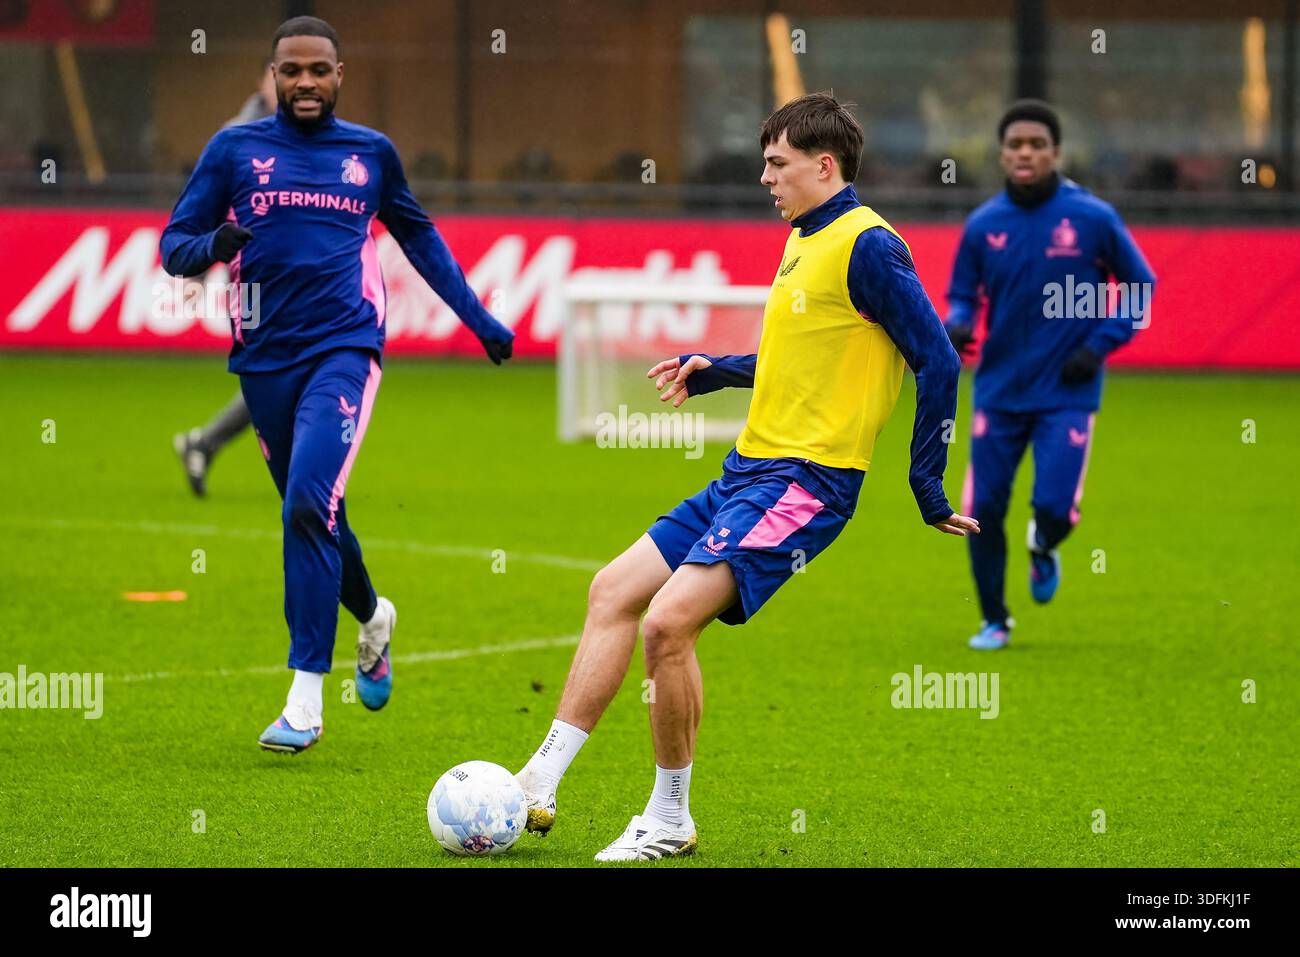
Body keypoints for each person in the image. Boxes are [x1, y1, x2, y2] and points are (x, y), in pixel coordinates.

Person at [513, 92, 976, 861]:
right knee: (613, 591)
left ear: (824, 166)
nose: (765, 177)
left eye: (777, 163)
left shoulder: (869, 245)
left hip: (807, 482)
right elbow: (804, 360)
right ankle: (539, 779)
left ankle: (668, 817)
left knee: (667, 624)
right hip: (747, 471)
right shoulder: (805, 237)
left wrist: (926, 483)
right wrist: (715, 371)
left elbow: (937, 357)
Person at [159, 16, 514, 752]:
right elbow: (174, 248)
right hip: (262, 359)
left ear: (340, 74)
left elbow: (418, 236)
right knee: (319, 514)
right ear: (274, 76)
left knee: (306, 504)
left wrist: (477, 318)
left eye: (319, 69)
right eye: (292, 70)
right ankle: (374, 617)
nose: (306, 82)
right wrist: (212, 244)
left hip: (346, 347)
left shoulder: (370, 155)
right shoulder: (234, 150)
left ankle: (304, 699)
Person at [943, 100, 1155, 651]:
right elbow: (963, 294)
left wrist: (1100, 344)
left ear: (1055, 152)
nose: (1025, 153)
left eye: (1037, 144)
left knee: (1054, 508)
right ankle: (994, 619)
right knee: (981, 509)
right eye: (1015, 145)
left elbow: (1141, 286)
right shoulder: (984, 224)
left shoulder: (1093, 218)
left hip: (1067, 392)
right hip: (999, 391)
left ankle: (1044, 544)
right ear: (1002, 153)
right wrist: (960, 323)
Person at [172, 60, 279, 497]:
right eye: (280, 75)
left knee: (282, 373)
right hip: (251, 280)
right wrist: (197, 268)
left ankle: (203, 443)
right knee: (278, 371)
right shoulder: (238, 136)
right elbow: (210, 208)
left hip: (290, 275)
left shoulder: (298, 132)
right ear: (262, 82)